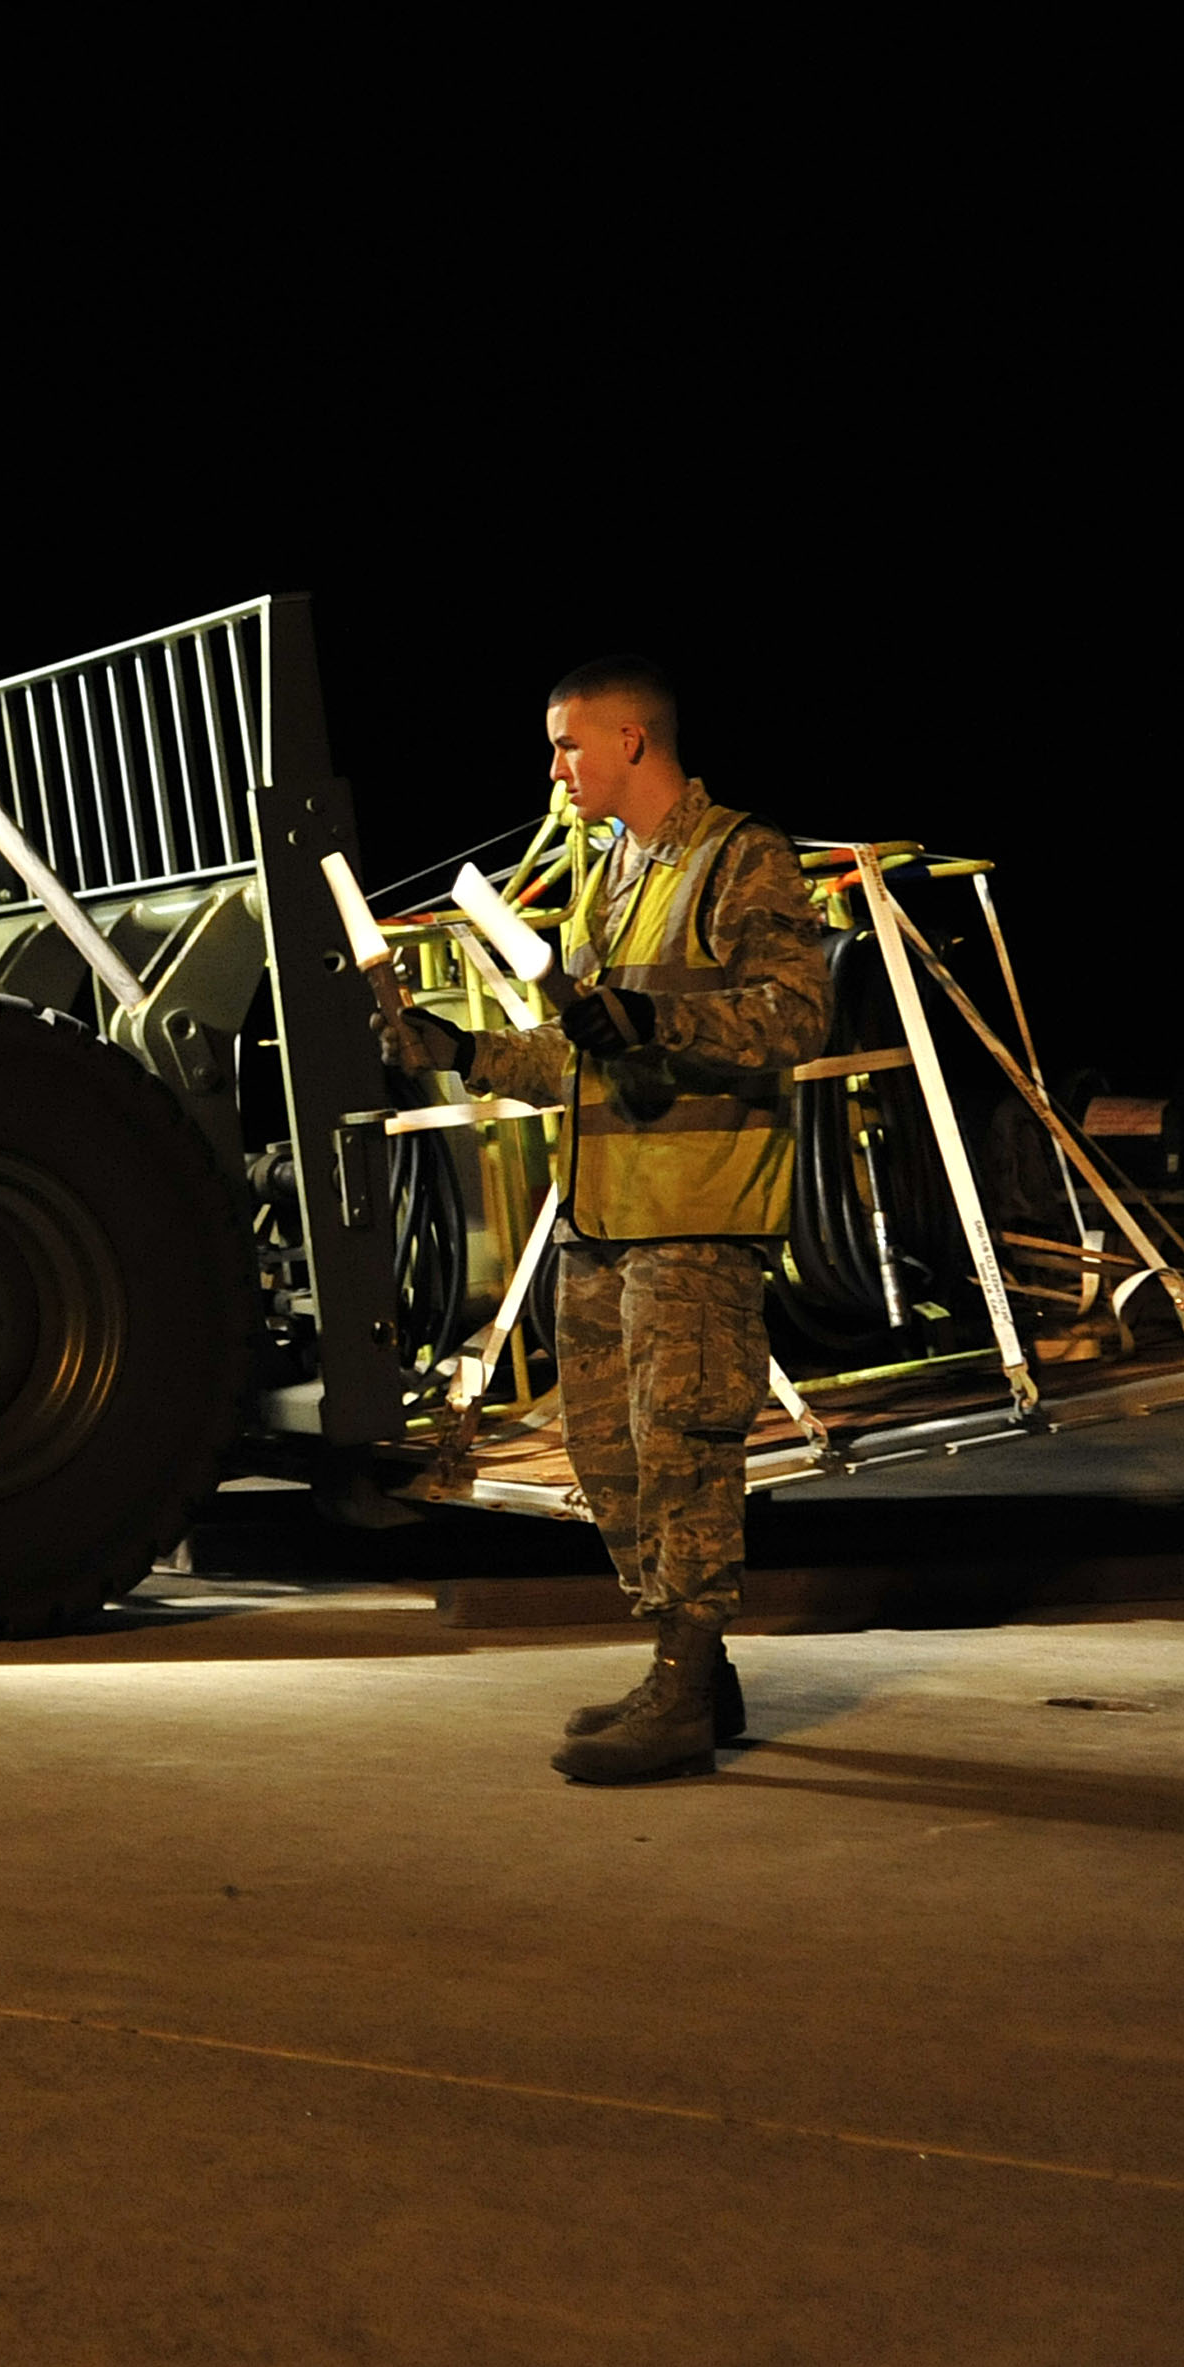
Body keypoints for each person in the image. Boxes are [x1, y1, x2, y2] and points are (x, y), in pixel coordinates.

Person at [385, 656, 830, 1783]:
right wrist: (461, 1050)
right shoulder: (610, 878)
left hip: (693, 1213)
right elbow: (577, 1055)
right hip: (604, 1214)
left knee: (682, 1445)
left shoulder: (738, 857)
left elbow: (791, 1017)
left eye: (567, 744)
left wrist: (635, 1018)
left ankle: (682, 1689)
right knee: (608, 1453)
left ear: (630, 741)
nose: (554, 769)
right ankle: (689, 1670)